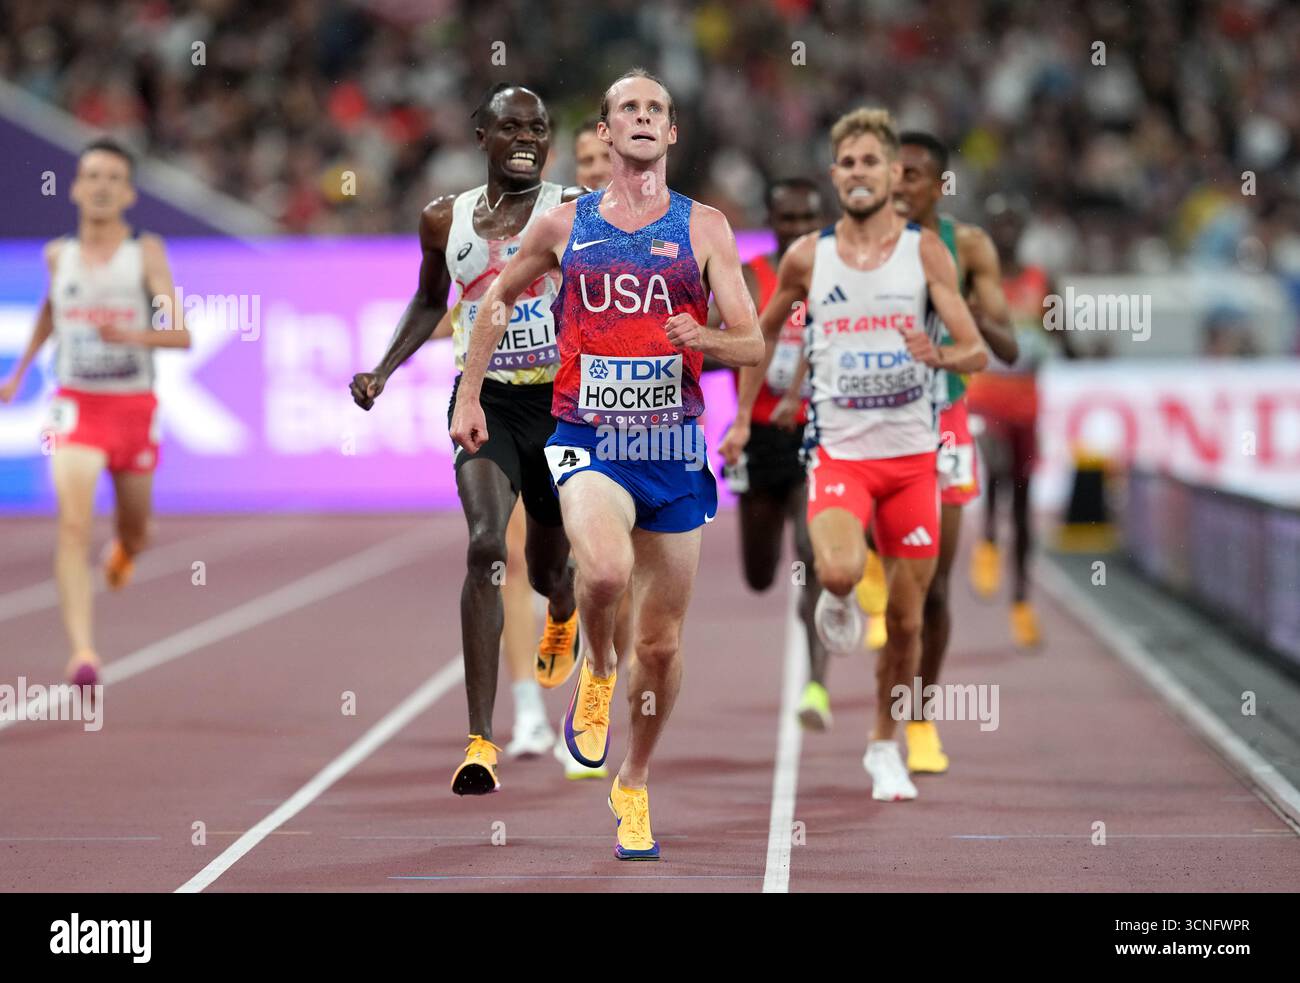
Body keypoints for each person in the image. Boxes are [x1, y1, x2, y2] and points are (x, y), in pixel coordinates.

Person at [451, 69, 763, 859]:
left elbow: (753, 341)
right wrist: (469, 397)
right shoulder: (564, 223)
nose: (644, 118)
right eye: (629, 107)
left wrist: (710, 343)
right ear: (607, 127)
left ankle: (635, 779)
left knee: (659, 647)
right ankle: (594, 671)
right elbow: (495, 299)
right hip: (589, 438)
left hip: (671, 447)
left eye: (657, 109)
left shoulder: (707, 228)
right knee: (601, 574)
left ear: (672, 132)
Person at [728, 108, 987, 801]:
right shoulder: (807, 257)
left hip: (912, 461)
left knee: (905, 619)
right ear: (834, 173)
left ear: (891, 173)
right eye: (847, 163)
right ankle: (838, 597)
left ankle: (882, 744)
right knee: (837, 570)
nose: (859, 173)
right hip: (840, 454)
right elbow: (760, 338)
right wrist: (740, 424)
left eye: (873, 162)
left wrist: (943, 353)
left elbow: (977, 347)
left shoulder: (924, 250)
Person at [350, 84, 583, 795]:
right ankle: (481, 739)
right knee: (486, 544)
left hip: (562, 406)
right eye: (510, 126)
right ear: (480, 135)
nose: (526, 137)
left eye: (538, 128)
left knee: (547, 572)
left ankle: (564, 613)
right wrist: (383, 369)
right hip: (484, 402)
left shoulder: (574, 211)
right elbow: (431, 299)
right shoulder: (441, 219)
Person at [0, 138, 191, 686]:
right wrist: (19, 371)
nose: (102, 186)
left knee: (135, 530)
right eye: (92, 176)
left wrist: (130, 332)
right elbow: (49, 309)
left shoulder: (145, 250)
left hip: (132, 406)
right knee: (72, 524)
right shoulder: (57, 255)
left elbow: (180, 333)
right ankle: (83, 653)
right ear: (77, 188)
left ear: (128, 192)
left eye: (113, 178)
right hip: (75, 405)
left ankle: (124, 551)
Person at [891, 132, 1018, 772]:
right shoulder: (857, 243)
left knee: (936, 589)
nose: (900, 184)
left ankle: (920, 718)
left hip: (942, 420)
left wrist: (959, 304)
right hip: (870, 419)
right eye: (894, 171)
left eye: (914, 174)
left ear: (938, 186)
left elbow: (1008, 345)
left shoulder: (966, 247)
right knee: (867, 559)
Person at [717, 177, 832, 731]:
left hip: (818, 433)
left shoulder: (838, 275)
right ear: (772, 219)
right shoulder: (750, 276)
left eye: (806, 219)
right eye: (786, 219)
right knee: (761, 575)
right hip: (760, 437)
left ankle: (816, 686)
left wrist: (802, 392)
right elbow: (734, 347)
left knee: (813, 552)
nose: (796, 230)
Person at [964, 193, 1065, 649]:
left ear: (1023, 231)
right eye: (997, 225)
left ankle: (1022, 601)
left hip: (1026, 404)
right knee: (997, 468)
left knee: (1024, 507)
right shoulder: (972, 281)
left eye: (1012, 225)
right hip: (985, 398)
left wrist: (1086, 349)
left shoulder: (1043, 281)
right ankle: (986, 539)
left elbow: (1064, 337)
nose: (1005, 233)